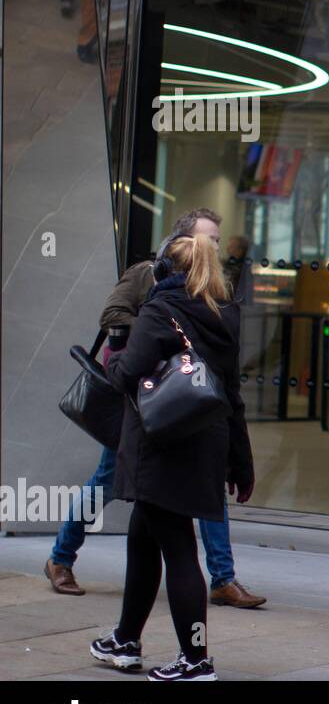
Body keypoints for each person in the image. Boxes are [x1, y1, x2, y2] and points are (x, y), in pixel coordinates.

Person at [45, 208, 266, 610]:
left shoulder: (214, 286)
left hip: (191, 406)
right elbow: (112, 314)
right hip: (142, 403)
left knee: (206, 488)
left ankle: (222, 577)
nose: (215, 245)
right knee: (108, 480)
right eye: (209, 239)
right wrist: (154, 333)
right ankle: (61, 558)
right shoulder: (148, 275)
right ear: (183, 241)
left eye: (218, 239)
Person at [93, 228, 255, 680]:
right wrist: (241, 463)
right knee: (144, 538)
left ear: (165, 269)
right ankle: (125, 639)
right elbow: (233, 394)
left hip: (161, 447)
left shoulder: (160, 310)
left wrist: (115, 349)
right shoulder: (222, 315)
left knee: (179, 550)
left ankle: (196, 659)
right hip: (206, 443)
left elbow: (125, 375)